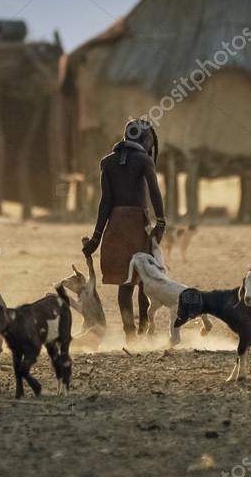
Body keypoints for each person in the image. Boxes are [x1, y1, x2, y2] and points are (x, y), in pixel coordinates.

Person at [82, 118, 166, 341]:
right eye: (150, 142)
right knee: (144, 280)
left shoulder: (107, 162)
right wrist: (161, 222)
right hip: (138, 225)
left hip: (116, 226)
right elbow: (155, 191)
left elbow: (105, 202)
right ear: (145, 139)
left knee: (125, 283)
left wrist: (96, 237)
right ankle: (143, 329)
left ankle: (129, 333)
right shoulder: (144, 160)